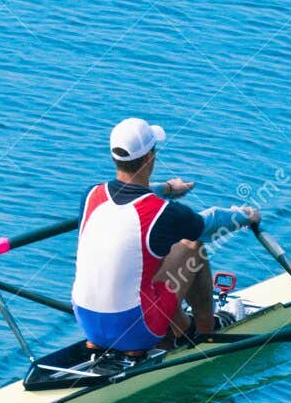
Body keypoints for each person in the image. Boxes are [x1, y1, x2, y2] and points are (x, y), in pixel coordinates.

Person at [70, 118, 260, 353]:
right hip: (137, 331)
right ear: (150, 157)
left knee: (139, 257)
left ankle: (171, 330)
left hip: (85, 322)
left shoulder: (90, 195)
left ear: (115, 157)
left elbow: (129, 192)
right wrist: (245, 216)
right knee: (192, 247)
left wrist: (168, 188)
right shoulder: (163, 213)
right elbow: (209, 224)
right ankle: (203, 332)